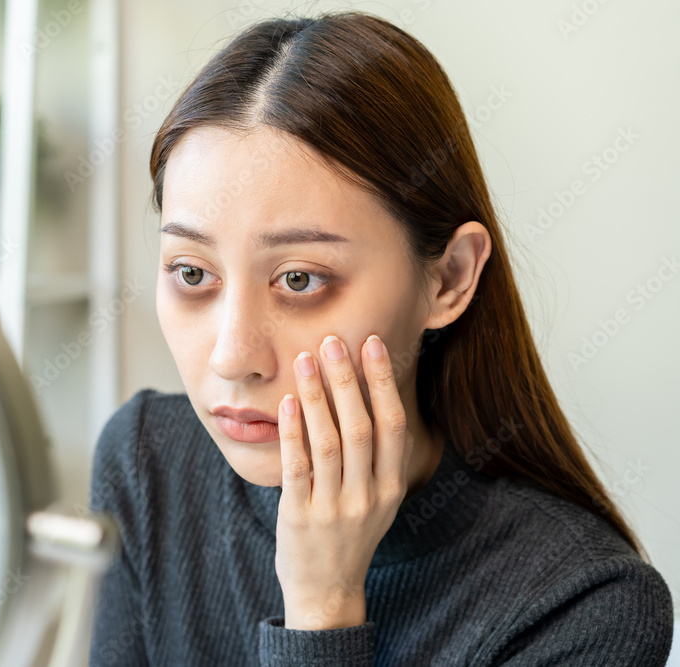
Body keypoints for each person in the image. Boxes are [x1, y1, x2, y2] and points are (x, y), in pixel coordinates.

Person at [87, 10, 674, 666]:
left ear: (448, 279)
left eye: (301, 279)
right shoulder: (147, 464)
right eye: (192, 272)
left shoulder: (584, 605)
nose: (232, 356)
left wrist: (323, 609)